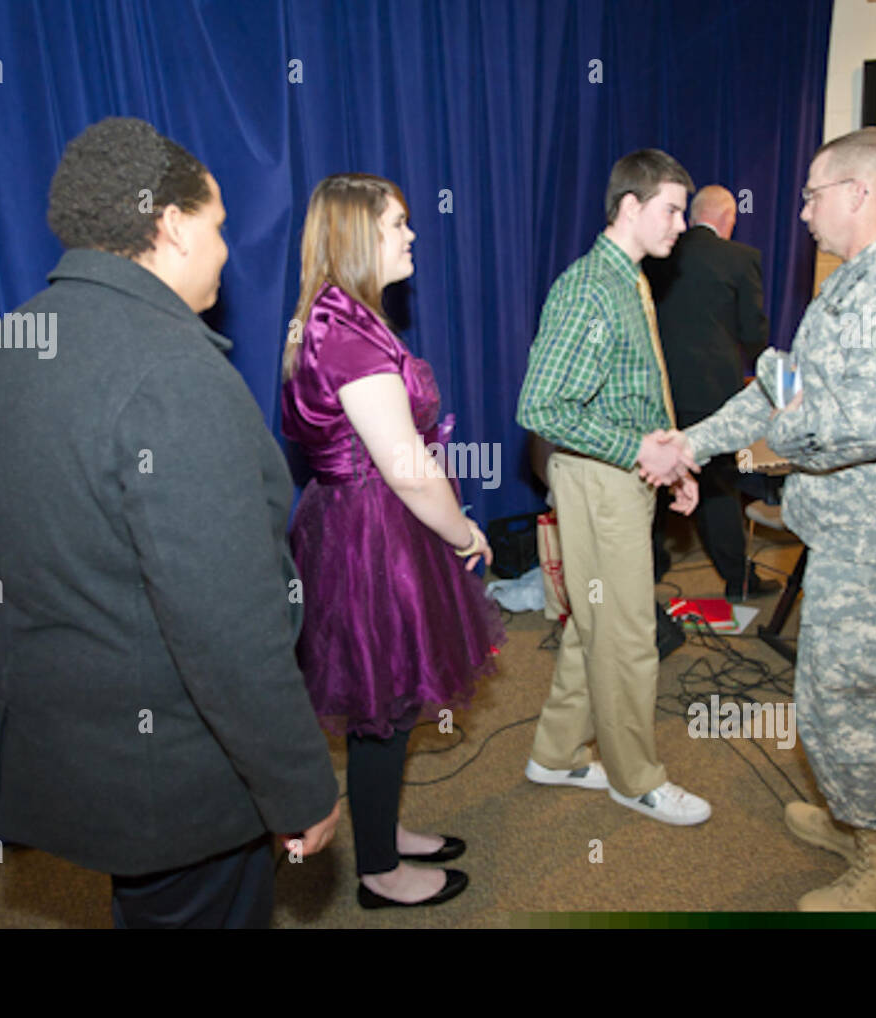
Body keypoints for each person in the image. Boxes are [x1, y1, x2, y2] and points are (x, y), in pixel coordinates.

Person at [0, 117, 339, 929]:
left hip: (77, 746)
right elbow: (226, 624)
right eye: (218, 226)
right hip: (176, 766)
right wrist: (298, 783)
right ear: (169, 225)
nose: (227, 250)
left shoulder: (0, 351)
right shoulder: (175, 373)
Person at [661, 128, 876, 909]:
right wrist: (693, 442)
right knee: (836, 693)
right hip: (847, 527)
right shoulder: (851, 283)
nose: (801, 211)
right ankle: (860, 819)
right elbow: (782, 390)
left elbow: (862, 426)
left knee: (843, 698)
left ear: (859, 194)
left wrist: (769, 443)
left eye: (812, 193)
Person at [281, 173, 505, 909]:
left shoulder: (347, 316)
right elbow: (406, 468)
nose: (412, 235)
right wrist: (466, 530)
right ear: (357, 236)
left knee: (396, 695)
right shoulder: (343, 332)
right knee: (385, 697)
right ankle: (377, 868)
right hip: (369, 533)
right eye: (398, 224)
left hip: (366, 524)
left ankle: (383, 826)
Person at [516, 149, 709, 828]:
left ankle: (557, 752)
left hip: (622, 475)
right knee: (627, 635)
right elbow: (540, 407)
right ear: (629, 207)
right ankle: (635, 778)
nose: (682, 225)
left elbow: (638, 389)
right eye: (671, 210)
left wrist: (675, 464)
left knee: (596, 621)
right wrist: (638, 452)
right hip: (598, 478)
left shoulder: (629, 278)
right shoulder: (589, 286)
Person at [644, 183, 777, 600]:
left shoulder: (658, 255)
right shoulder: (741, 258)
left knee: (656, 471)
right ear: (728, 218)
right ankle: (737, 580)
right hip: (712, 390)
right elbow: (752, 330)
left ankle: (650, 566)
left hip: (657, 386)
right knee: (718, 485)